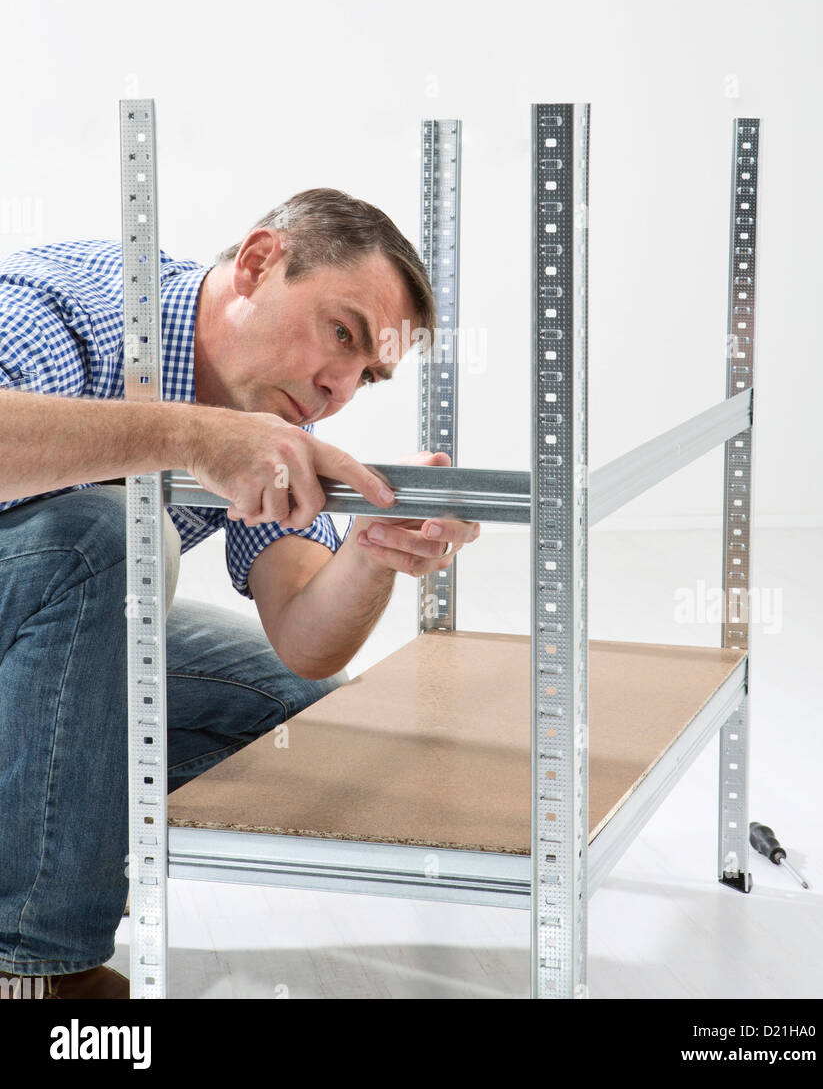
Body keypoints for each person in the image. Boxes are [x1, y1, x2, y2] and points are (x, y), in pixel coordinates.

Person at [0, 187, 479, 999]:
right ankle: (32, 963)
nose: (340, 387)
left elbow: (304, 634)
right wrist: (190, 434)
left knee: (303, 712)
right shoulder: (74, 307)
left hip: (34, 641)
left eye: (368, 372)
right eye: (341, 333)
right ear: (259, 263)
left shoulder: (275, 413)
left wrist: (372, 551)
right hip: (51, 591)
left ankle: (33, 803)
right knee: (112, 542)